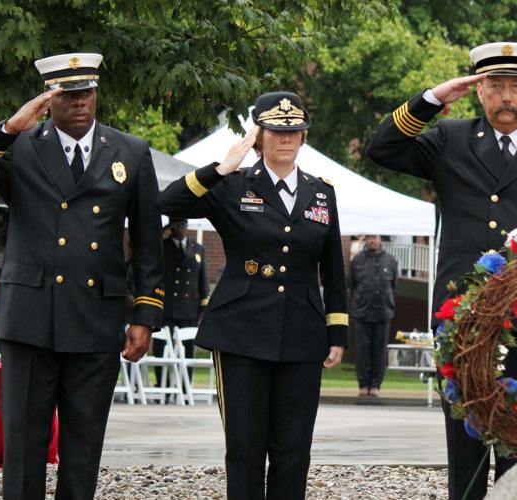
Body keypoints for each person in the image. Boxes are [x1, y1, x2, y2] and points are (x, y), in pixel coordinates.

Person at [367, 42, 517, 498]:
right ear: (479, 90)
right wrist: (432, 98)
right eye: (496, 86)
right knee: (465, 443)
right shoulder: (449, 138)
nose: (507, 96)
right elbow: (382, 148)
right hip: (463, 319)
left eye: (516, 87)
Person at [0, 52, 163, 499]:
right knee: (23, 444)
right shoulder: (22, 146)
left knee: (83, 446)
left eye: (87, 93)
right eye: (68, 94)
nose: (80, 102)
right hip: (31, 317)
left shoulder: (130, 152)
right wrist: (7, 129)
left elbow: (147, 242)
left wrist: (145, 314)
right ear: (49, 98)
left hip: (95, 318)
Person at [158, 91, 348, 499]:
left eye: (294, 130)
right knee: (245, 447)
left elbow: (332, 267)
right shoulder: (231, 184)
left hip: (301, 332)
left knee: (293, 449)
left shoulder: (321, 192)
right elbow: (166, 201)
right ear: (258, 136)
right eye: (276, 130)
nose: (286, 137)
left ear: (304, 137)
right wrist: (218, 169)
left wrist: (338, 333)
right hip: (240, 331)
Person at [157, 216, 209, 385]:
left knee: (188, 351)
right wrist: (161, 231)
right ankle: (161, 385)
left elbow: (203, 280)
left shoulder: (197, 249)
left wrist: (203, 305)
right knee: (160, 348)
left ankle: (186, 387)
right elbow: (148, 249)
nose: (179, 228)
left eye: (182, 224)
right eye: (175, 225)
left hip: (189, 308)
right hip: (167, 307)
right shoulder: (162, 247)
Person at [348, 234, 398, 396]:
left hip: (383, 312)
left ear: (380, 239)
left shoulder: (390, 260)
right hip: (361, 312)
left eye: (375, 237)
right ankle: (363, 384)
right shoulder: (357, 261)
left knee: (379, 350)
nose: (372, 240)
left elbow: (394, 285)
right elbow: (351, 285)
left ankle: (376, 385)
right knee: (362, 351)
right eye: (369, 237)